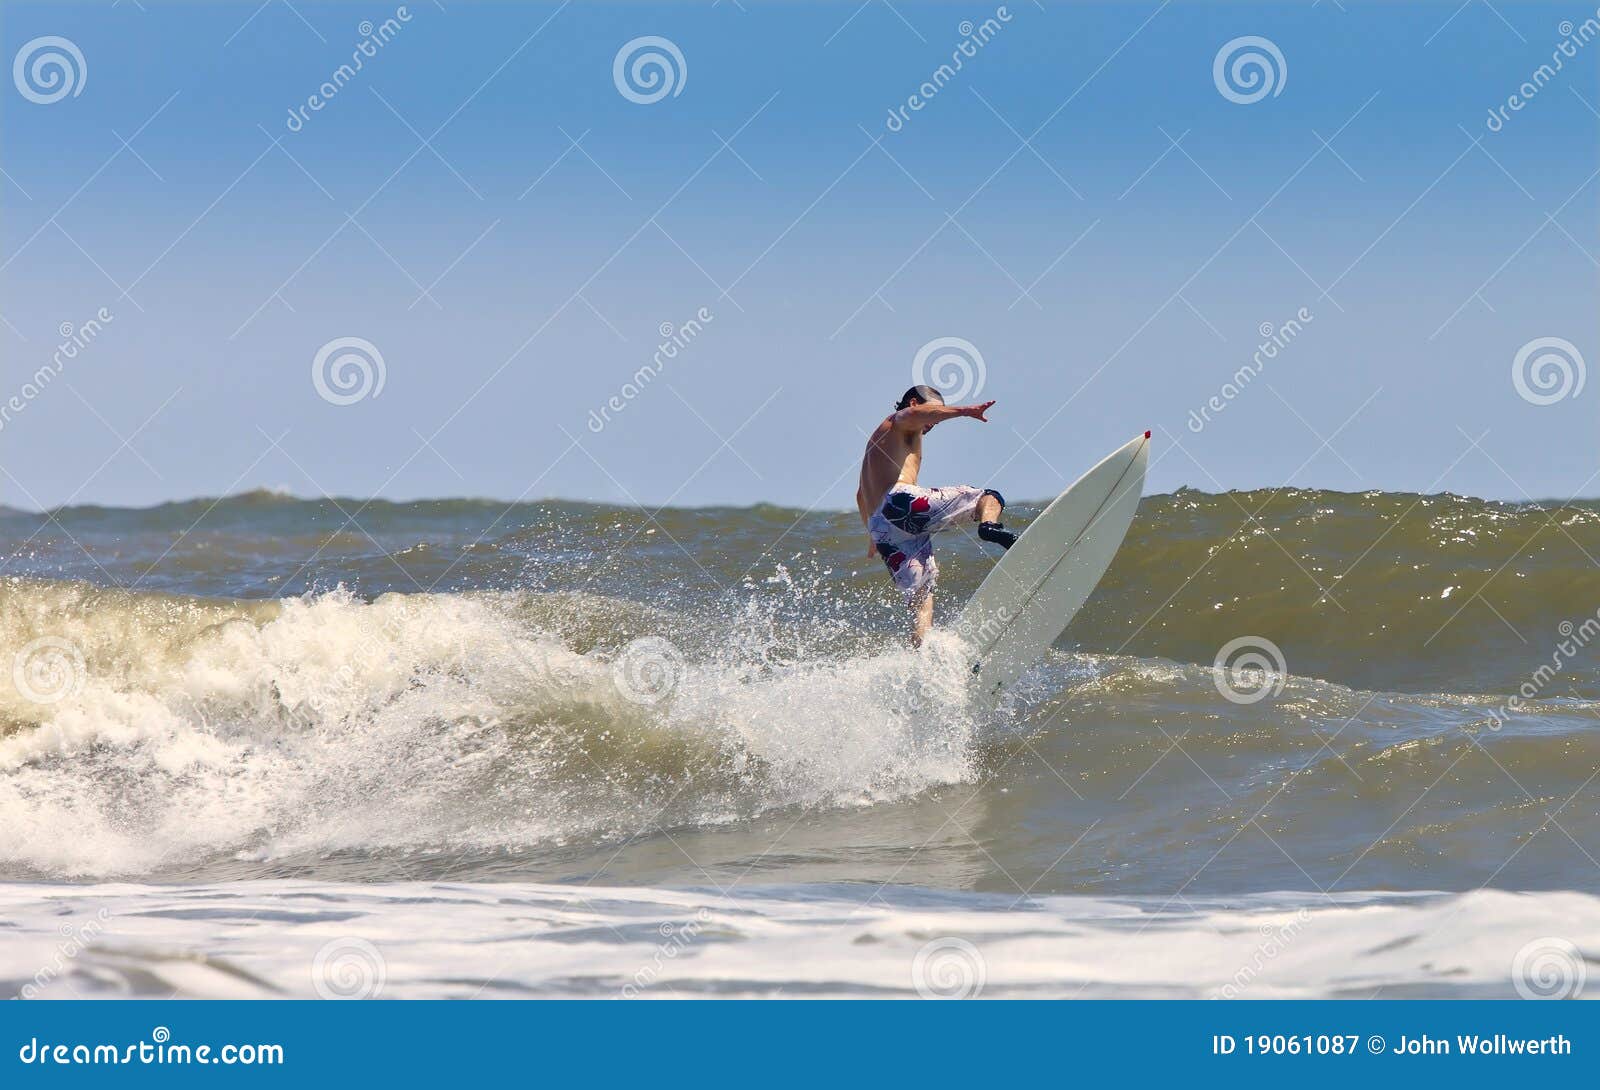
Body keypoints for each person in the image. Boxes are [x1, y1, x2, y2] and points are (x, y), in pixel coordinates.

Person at [856, 384, 1018, 646]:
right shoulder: (899, 422)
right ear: (913, 403)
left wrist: (873, 535)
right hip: (900, 501)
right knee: (988, 498)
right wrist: (966, 411)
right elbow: (909, 416)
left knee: (922, 600)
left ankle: (922, 660)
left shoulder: (878, 443)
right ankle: (989, 526)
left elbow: (860, 495)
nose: (935, 419)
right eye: (933, 411)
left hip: (882, 526)